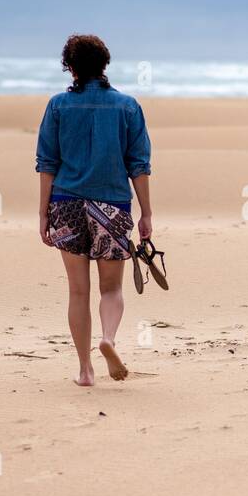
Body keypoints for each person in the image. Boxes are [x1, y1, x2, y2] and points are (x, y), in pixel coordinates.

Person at [35, 34, 152, 386]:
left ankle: (85, 371)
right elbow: (139, 164)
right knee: (111, 289)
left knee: (77, 291)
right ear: (105, 64)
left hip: (66, 204)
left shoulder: (57, 106)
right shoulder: (128, 106)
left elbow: (47, 163)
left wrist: (43, 213)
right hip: (111, 205)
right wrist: (146, 212)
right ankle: (109, 339)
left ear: (69, 67)